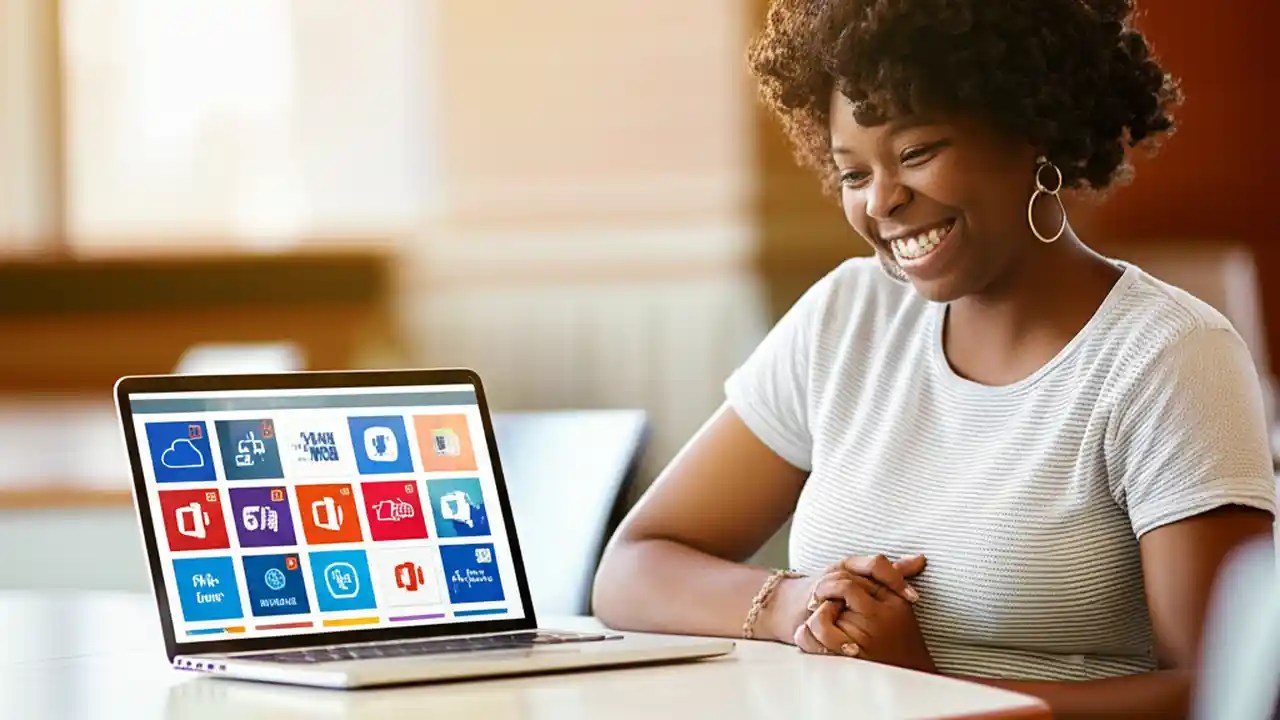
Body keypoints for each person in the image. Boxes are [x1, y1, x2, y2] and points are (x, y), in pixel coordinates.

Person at [591, 0, 1278, 717]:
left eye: (918, 153)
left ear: (1032, 129)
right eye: (852, 173)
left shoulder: (1169, 356)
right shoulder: (848, 316)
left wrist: (929, 689)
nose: (882, 201)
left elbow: (1223, 690)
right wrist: (793, 604)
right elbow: (636, 564)